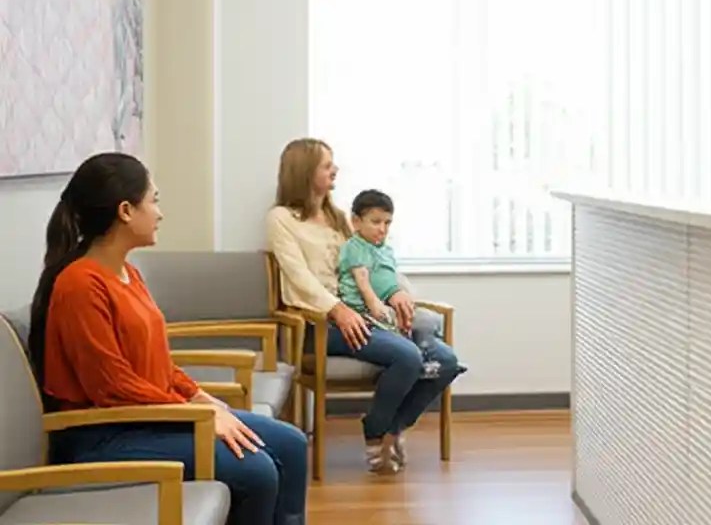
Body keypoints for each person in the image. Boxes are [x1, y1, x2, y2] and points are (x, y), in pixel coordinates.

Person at [29, 152, 308, 525]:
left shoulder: (128, 273)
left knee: (291, 445)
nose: (160, 212)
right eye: (154, 200)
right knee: (256, 473)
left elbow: (158, 364)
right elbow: (112, 388)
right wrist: (201, 414)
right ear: (126, 210)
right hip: (102, 435)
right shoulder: (81, 284)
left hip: (149, 418)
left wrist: (204, 399)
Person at [265, 138, 464, 473]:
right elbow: (298, 278)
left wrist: (398, 293)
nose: (335, 170)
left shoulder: (341, 218)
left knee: (445, 360)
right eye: (327, 165)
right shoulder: (282, 219)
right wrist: (338, 311)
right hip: (321, 324)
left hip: (366, 316)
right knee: (407, 356)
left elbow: (375, 262)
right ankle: (375, 434)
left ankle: (392, 428)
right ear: (304, 171)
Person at [337, 188, 444, 380]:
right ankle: (422, 361)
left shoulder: (385, 250)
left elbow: (390, 279)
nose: (383, 229)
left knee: (432, 321)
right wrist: (374, 304)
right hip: (365, 311)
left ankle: (427, 360)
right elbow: (362, 279)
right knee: (424, 323)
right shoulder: (355, 246)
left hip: (386, 305)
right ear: (356, 221)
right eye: (376, 222)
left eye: (387, 223)